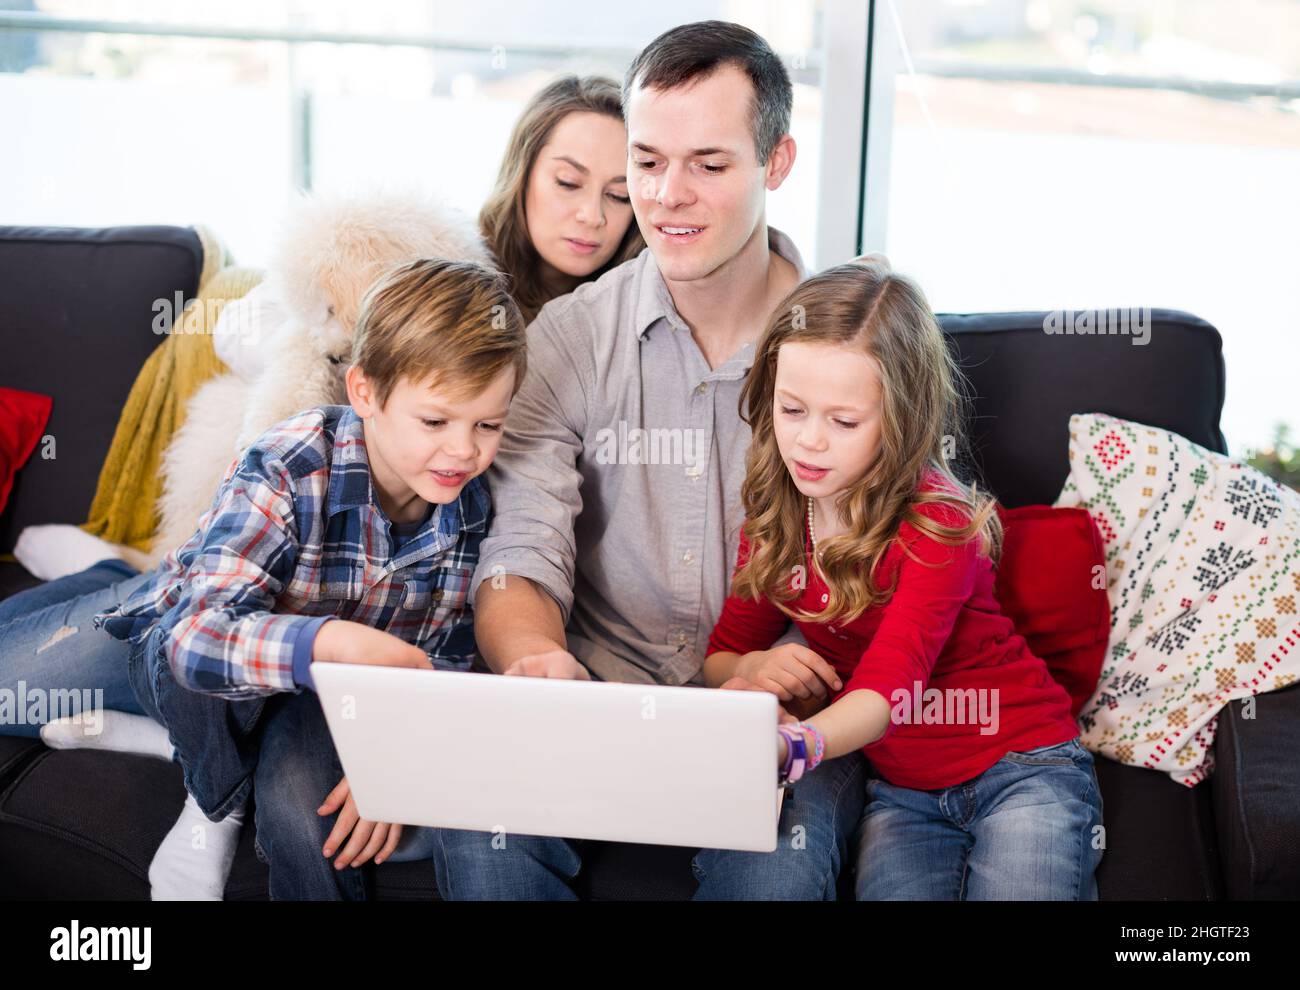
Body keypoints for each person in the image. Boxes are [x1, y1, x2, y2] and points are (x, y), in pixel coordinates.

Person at [430, 20, 869, 901]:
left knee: (778, 880)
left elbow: (911, 562)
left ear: (776, 163)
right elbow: (521, 545)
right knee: (483, 851)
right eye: (648, 162)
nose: (669, 196)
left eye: (709, 165)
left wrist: (777, 668)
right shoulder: (570, 335)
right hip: (596, 685)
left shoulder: (861, 346)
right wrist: (532, 662)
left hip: (778, 710)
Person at [0, 258, 529, 900]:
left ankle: (175, 743)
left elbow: (448, 658)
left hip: (308, 700)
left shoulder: (473, 506)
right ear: (365, 392)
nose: (464, 452)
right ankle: (113, 577)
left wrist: (398, 763)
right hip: (177, 625)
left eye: (488, 425)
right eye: (436, 421)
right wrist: (327, 641)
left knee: (306, 812)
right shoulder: (291, 461)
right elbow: (193, 638)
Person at [705, 259, 1104, 900]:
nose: (809, 442)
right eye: (792, 409)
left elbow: (890, 689)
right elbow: (719, 656)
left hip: (1023, 765)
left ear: (902, 419)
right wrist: (752, 667)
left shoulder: (937, 524)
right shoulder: (776, 516)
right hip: (905, 795)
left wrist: (793, 747)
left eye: (843, 422)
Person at [479, 74, 645, 323]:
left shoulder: (645, 304)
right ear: (521, 176)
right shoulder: (462, 290)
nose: (592, 216)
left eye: (619, 196)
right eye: (568, 182)